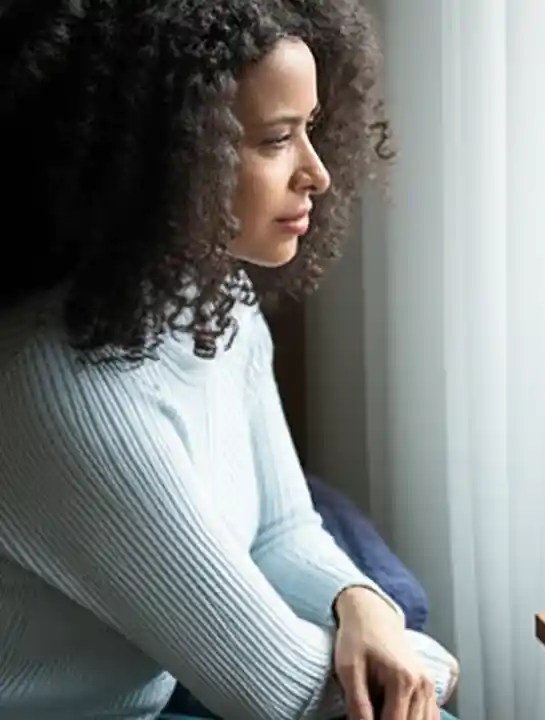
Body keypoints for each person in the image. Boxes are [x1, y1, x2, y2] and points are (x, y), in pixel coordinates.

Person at [0, 2, 458, 719]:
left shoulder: (219, 301)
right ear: (166, 157)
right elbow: (276, 691)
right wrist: (435, 661)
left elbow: (281, 533)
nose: (317, 173)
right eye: (276, 139)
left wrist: (365, 606)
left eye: (310, 128)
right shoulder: (58, 388)